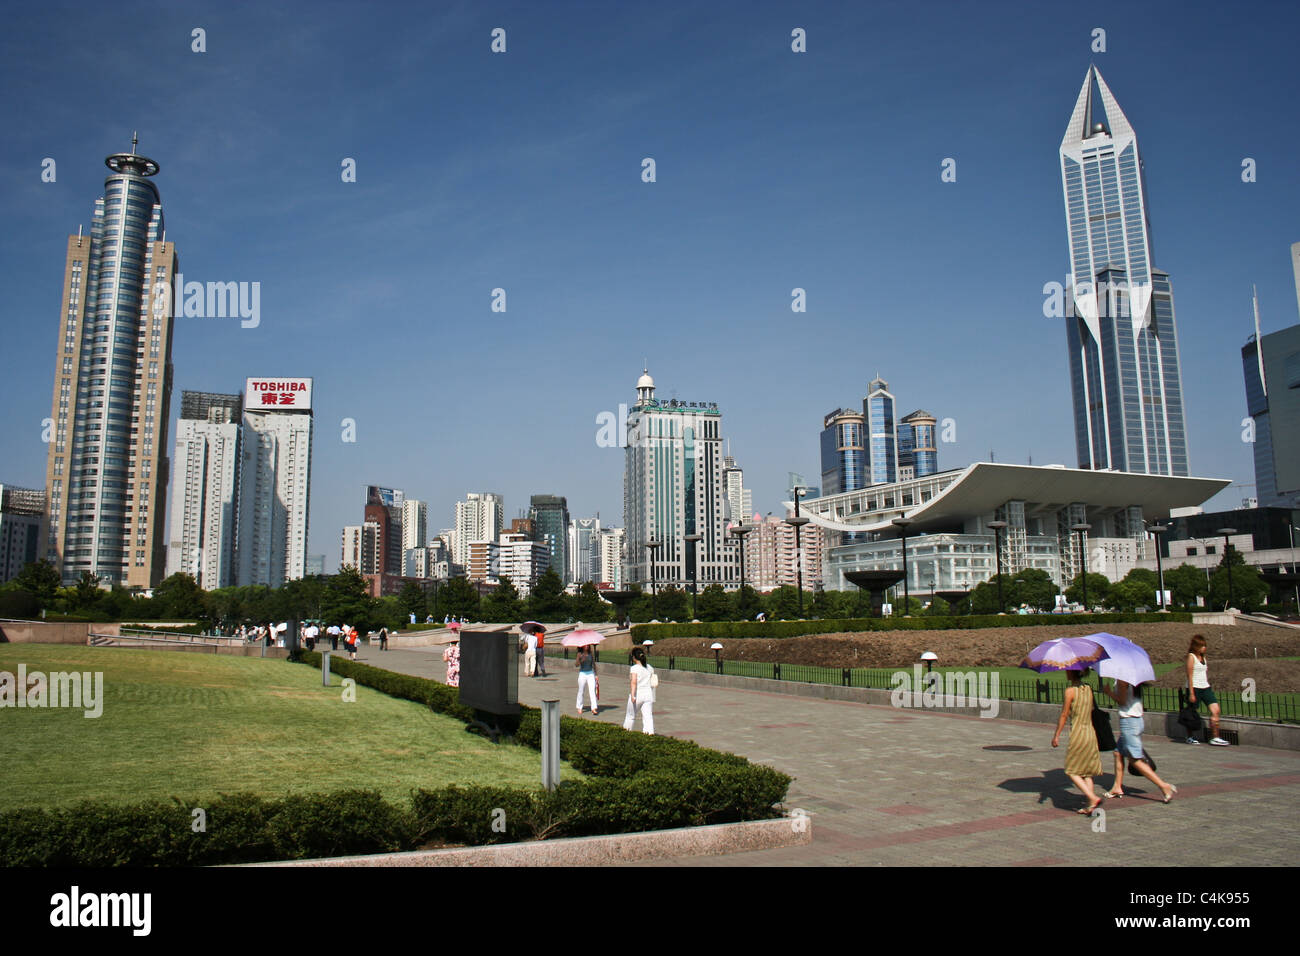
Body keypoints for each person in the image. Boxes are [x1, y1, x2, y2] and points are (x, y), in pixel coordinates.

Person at [1102, 678, 1177, 802]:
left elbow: (1122, 701)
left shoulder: (1122, 680)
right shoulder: (1132, 678)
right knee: (1118, 753)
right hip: (1136, 720)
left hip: (1129, 722)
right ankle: (1117, 786)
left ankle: (1164, 786)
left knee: (1135, 760)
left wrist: (1109, 692)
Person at [1051, 667, 1102, 814]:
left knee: (1071, 770)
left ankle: (1092, 797)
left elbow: (1064, 715)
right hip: (1090, 732)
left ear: (1071, 672)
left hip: (1078, 733)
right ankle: (1089, 805)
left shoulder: (1070, 691)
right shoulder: (1088, 689)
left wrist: (1056, 735)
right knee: (1086, 772)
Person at [1186, 635, 1229, 746]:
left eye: (1205, 645)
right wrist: (1191, 693)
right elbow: (1189, 676)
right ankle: (1190, 736)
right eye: (1201, 646)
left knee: (1216, 710)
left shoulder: (1203, 658)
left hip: (1205, 687)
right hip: (1195, 687)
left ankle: (1215, 736)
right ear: (1196, 646)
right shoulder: (1191, 657)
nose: (1204, 648)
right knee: (1192, 714)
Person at [623, 646, 655, 735]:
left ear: (634, 657)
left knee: (630, 716)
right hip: (648, 694)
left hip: (638, 694)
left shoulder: (634, 668)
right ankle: (649, 735)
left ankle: (625, 734)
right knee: (648, 717)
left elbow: (634, 682)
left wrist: (633, 695)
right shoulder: (649, 667)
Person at [576, 644, 598, 715]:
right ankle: (579, 707)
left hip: (590, 673)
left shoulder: (590, 654)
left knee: (592, 690)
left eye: (588, 645)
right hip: (582, 673)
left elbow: (593, 664)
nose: (587, 646)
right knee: (581, 690)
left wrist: (596, 674)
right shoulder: (580, 654)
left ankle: (594, 708)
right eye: (585, 645)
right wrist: (581, 660)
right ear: (582, 646)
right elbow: (576, 664)